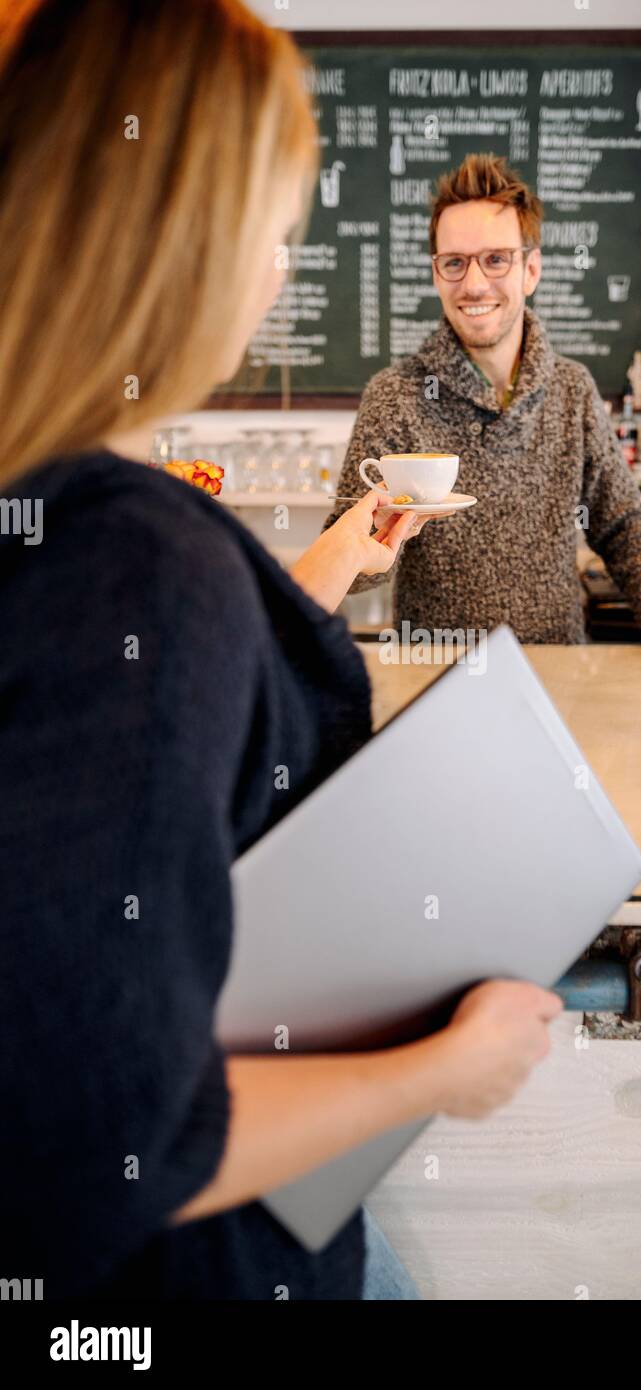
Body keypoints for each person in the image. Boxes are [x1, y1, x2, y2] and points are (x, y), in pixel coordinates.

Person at [0, 0, 562, 1301]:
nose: (278, 265)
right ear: (190, 238)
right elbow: (95, 1145)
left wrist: (332, 561)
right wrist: (439, 1073)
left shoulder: (58, 509)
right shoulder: (141, 563)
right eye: (274, 223)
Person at [325, 154, 641, 669]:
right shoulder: (394, 396)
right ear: (437, 274)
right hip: (432, 674)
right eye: (455, 262)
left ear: (531, 269)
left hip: (556, 671)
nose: (474, 283)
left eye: (496, 259)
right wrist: (377, 539)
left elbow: (619, 521)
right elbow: (349, 560)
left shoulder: (572, 390)